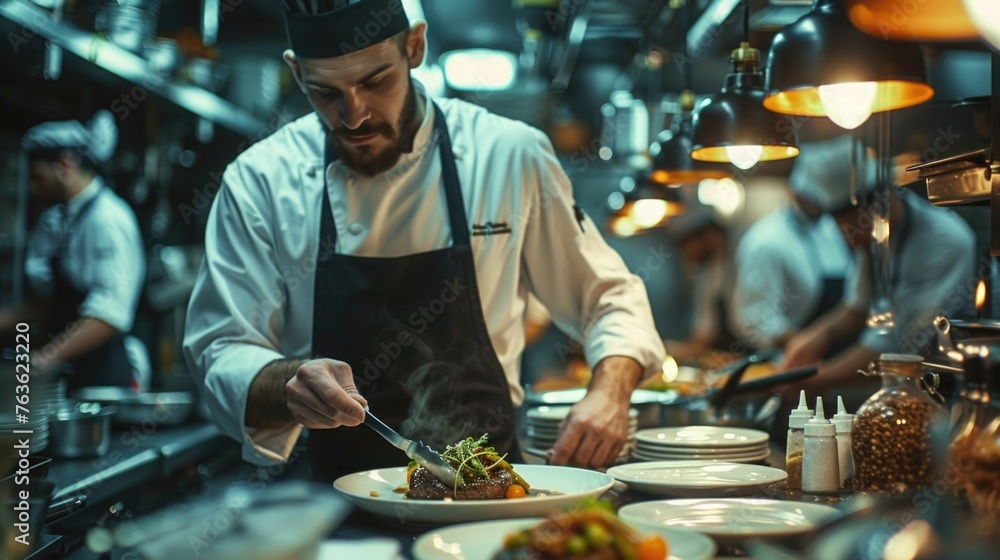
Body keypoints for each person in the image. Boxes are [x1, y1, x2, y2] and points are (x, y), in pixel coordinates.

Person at [182, 0, 665, 481]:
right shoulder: (261, 179)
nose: (353, 116)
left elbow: (609, 298)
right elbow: (221, 349)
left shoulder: (508, 155)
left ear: (414, 46)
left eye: (375, 82)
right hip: (328, 503)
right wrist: (286, 382)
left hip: (491, 486)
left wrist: (610, 392)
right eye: (325, 91)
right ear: (295, 70)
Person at [780, 134, 976, 405]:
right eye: (844, 232)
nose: (852, 241)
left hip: (952, 391)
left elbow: (900, 347)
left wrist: (812, 378)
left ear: (885, 203)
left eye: (857, 228)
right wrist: (812, 338)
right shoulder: (872, 241)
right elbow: (855, 309)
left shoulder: (944, 241)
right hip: (898, 387)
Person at [0, 111, 147, 392]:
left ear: (64, 164)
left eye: (37, 176)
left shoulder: (107, 219)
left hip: (101, 380)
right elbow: (48, 302)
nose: (33, 188)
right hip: (65, 373)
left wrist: (44, 358)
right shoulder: (56, 220)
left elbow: (110, 313)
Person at [731, 180, 853, 352]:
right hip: (790, 360)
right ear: (794, 191)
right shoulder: (765, 241)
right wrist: (804, 345)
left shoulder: (835, 229)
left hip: (845, 354)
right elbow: (755, 316)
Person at [662, 206, 736, 367]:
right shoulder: (707, 272)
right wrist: (674, 350)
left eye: (687, 244)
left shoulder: (742, 258)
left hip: (754, 361)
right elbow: (704, 332)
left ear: (708, 235)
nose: (686, 254)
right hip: (724, 365)